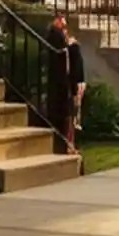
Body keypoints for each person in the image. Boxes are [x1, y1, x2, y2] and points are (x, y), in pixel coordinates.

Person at [46, 16, 82, 154]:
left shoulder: (70, 47)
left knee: (71, 114)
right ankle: (65, 144)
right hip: (60, 84)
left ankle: (69, 143)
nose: (65, 30)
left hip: (68, 82)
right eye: (63, 26)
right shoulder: (56, 40)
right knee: (65, 115)